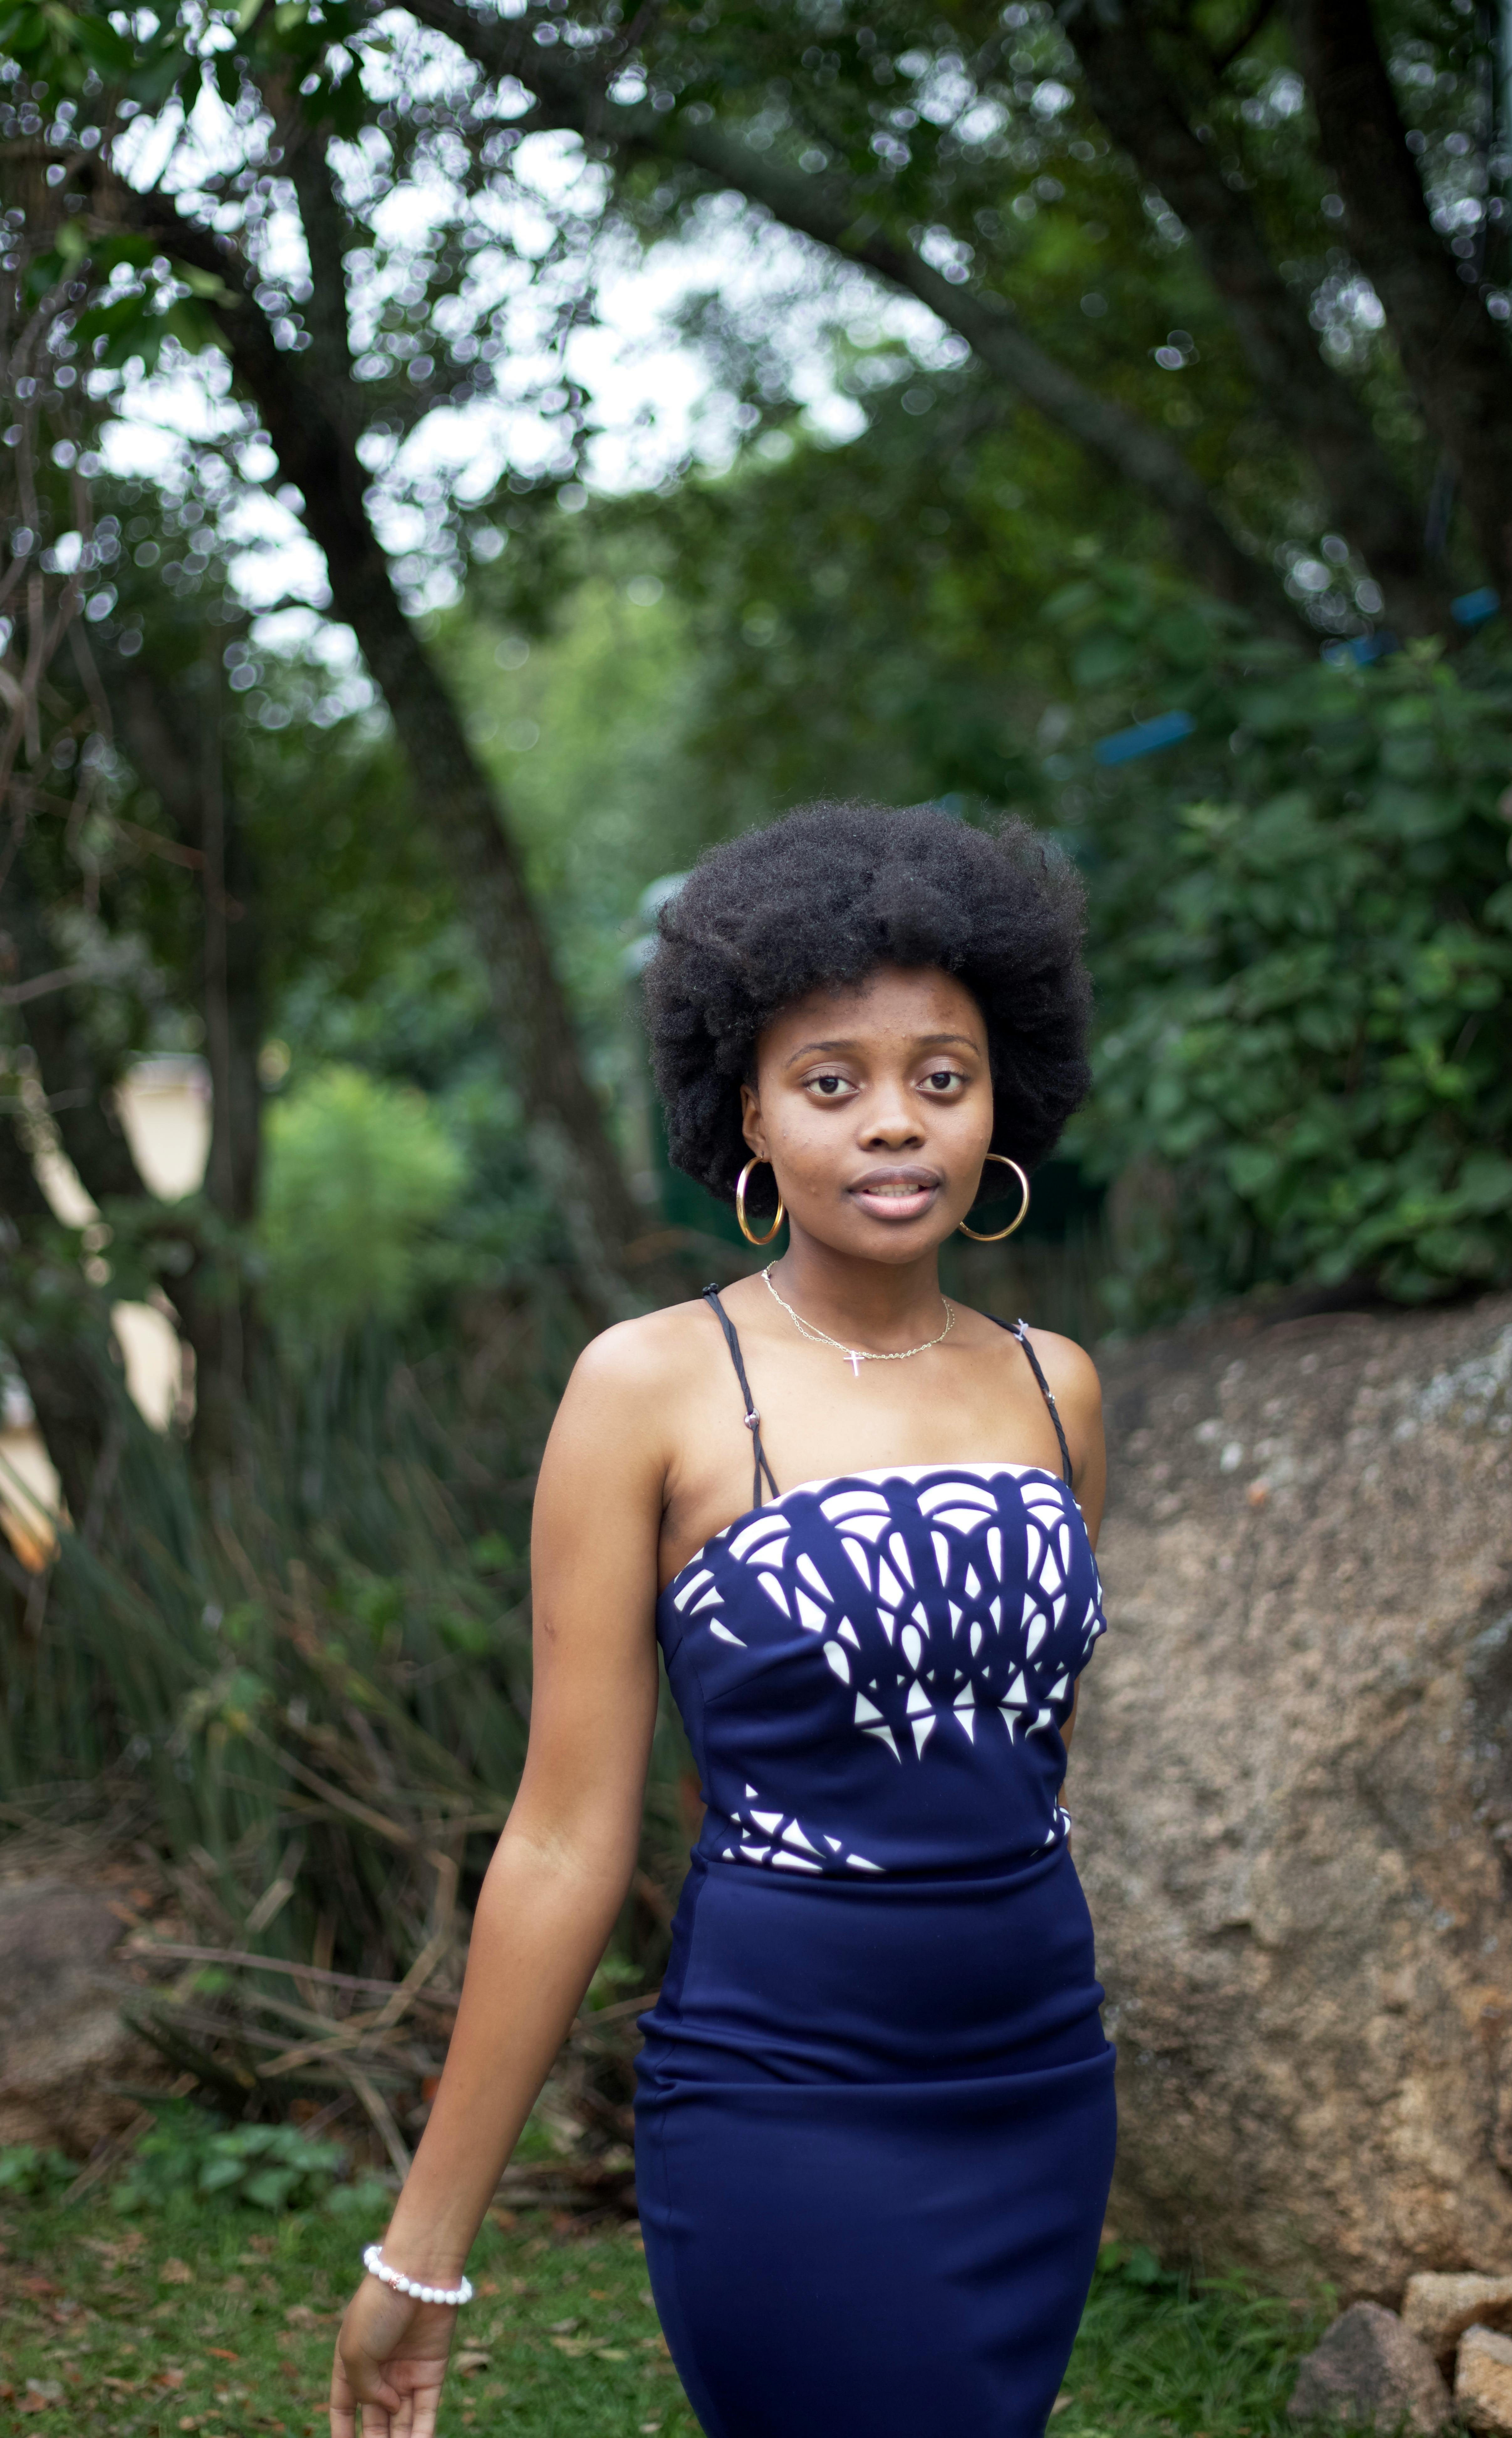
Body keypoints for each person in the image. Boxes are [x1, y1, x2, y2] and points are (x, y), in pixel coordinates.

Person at [330, 801, 1116, 2438]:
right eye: (832, 1081)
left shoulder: (1059, 1392)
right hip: (784, 2094)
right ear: (746, 1108)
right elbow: (563, 1836)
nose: (893, 1122)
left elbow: (1012, 1762)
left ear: (999, 1100)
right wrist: (425, 2251)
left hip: (1039, 2080)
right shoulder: (649, 1387)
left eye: (940, 1076)